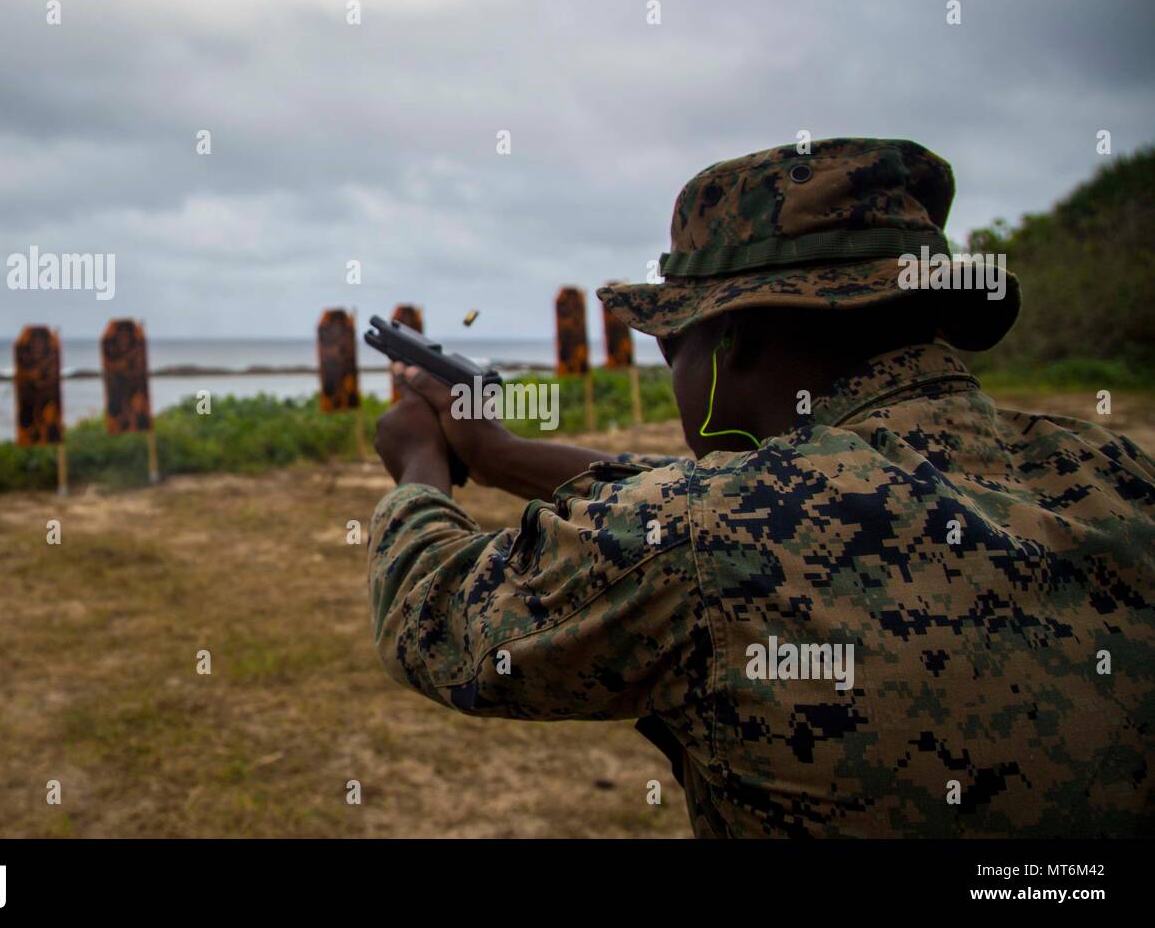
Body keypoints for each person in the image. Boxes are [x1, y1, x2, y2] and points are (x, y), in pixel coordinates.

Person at [367, 138, 1155, 837]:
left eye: (673, 341)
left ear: (730, 340)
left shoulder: (704, 534)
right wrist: (500, 454)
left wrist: (418, 464)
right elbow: (798, 502)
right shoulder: (1114, 470)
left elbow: (434, 616)